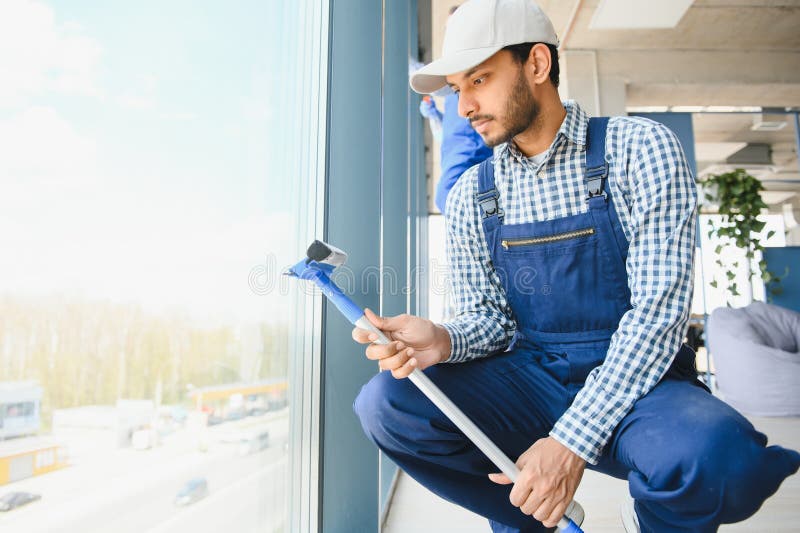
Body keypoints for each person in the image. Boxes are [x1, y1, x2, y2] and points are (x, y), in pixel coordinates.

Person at [352, 1, 800, 532]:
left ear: (537, 64)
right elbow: (491, 319)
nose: (465, 106)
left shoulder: (640, 150)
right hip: (532, 377)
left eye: (479, 80)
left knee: (724, 461)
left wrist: (570, 442)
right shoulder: (474, 193)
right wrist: (445, 339)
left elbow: (657, 318)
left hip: (642, 380)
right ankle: (536, 515)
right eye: (456, 89)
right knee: (388, 404)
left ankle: (654, 520)